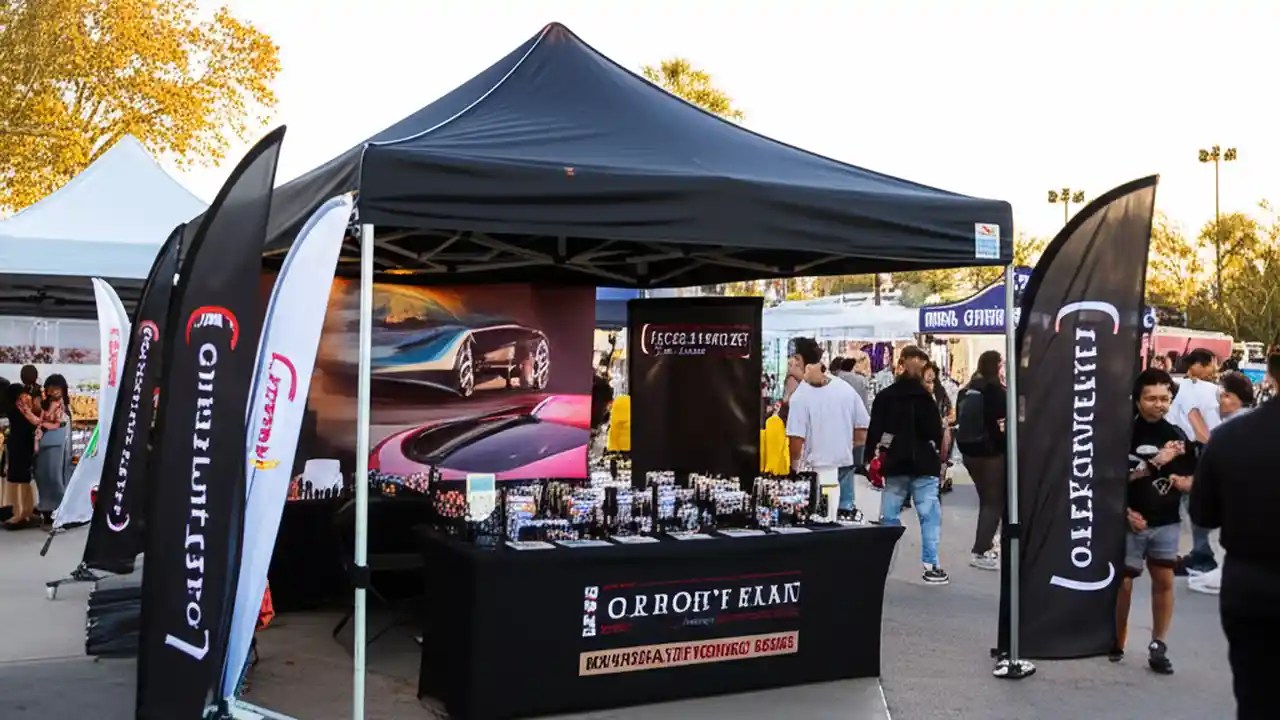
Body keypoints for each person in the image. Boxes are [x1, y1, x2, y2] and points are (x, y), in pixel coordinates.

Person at [1189, 352, 1280, 719]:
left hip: (1251, 584)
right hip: (1250, 578)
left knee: (1256, 695)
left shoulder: (1231, 437)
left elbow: (1202, 515)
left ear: (1271, 374)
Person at [1114, 369, 1195, 674]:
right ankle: (1116, 641)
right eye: (1151, 398)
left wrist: (1186, 482)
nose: (1159, 404)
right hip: (1128, 522)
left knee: (1164, 581)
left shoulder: (1176, 435)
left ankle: (1158, 645)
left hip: (1167, 522)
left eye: (1165, 398)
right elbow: (1106, 481)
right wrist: (1156, 463)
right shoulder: (1121, 434)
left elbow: (1194, 474)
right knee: (1123, 583)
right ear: (1137, 400)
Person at [867, 345, 948, 585]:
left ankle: (882, 564)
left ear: (900, 365)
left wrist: (869, 458)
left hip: (895, 463)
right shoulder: (926, 398)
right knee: (929, 515)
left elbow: (875, 430)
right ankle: (932, 565)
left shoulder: (886, 396)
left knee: (889, 516)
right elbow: (934, 431)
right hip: (924, 463)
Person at [1188, 370, 1260, 597]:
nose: (1221, 401)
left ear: (1241, 399)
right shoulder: (1251, 423)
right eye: (1221, 394)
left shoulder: (1232, 429)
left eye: (1228, 395)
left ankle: (1226, 573)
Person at [785, 337, 869, 521]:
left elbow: (796, 441)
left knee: (820, 520)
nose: (789, 369)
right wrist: (848, 449)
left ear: (798, 361)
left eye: (790, 363)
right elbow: (862, 429)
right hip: (843, 464)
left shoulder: (800, 397)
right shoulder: (845, 389)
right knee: (838, 517)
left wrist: (794, 470)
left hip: (816, 470)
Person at [1168, 349, 1221, 576]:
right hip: (1196, 450)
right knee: (1193, 502)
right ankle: (1201, 554)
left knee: (1182, 502)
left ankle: (1197, 553)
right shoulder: (1207, 390)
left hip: (1176, 448)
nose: (1214, 369)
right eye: (1212, 364)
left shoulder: (1180, 385)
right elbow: (1204, 425)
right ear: (1201, 364)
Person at [955, 350, 1007, 571]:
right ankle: (981, 549)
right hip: (990, 452)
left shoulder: (967, 389)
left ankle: (986, 543)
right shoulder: (994, 391)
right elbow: (1000, 424)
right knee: (993, 502)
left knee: (987, 500)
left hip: (969, 451)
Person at [33, 374, 73, 525]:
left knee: (55, 476)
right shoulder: (49, 406)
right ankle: (48, 509)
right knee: (45, 477)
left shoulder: (62, 410)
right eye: (50, 389)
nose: (53, 392)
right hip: (46, 446)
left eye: (56, 389)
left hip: (57, 448)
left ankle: (58, 509)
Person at [4, 366, 41, 529]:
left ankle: (19, 514)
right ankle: (28, 511)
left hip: (18, 443)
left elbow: (33, 419)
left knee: (16, 479)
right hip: (26, 442)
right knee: (25, 478)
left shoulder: (17, 401)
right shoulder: (29, 396)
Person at [923, 362, 955, 494]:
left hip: (940, 431)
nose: (930, 376)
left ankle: (939, 481)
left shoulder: (940, 392)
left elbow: (950, 411)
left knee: (941, 457)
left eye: (932, 373)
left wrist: (946, 420)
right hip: (925, 432)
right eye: (927, 372)